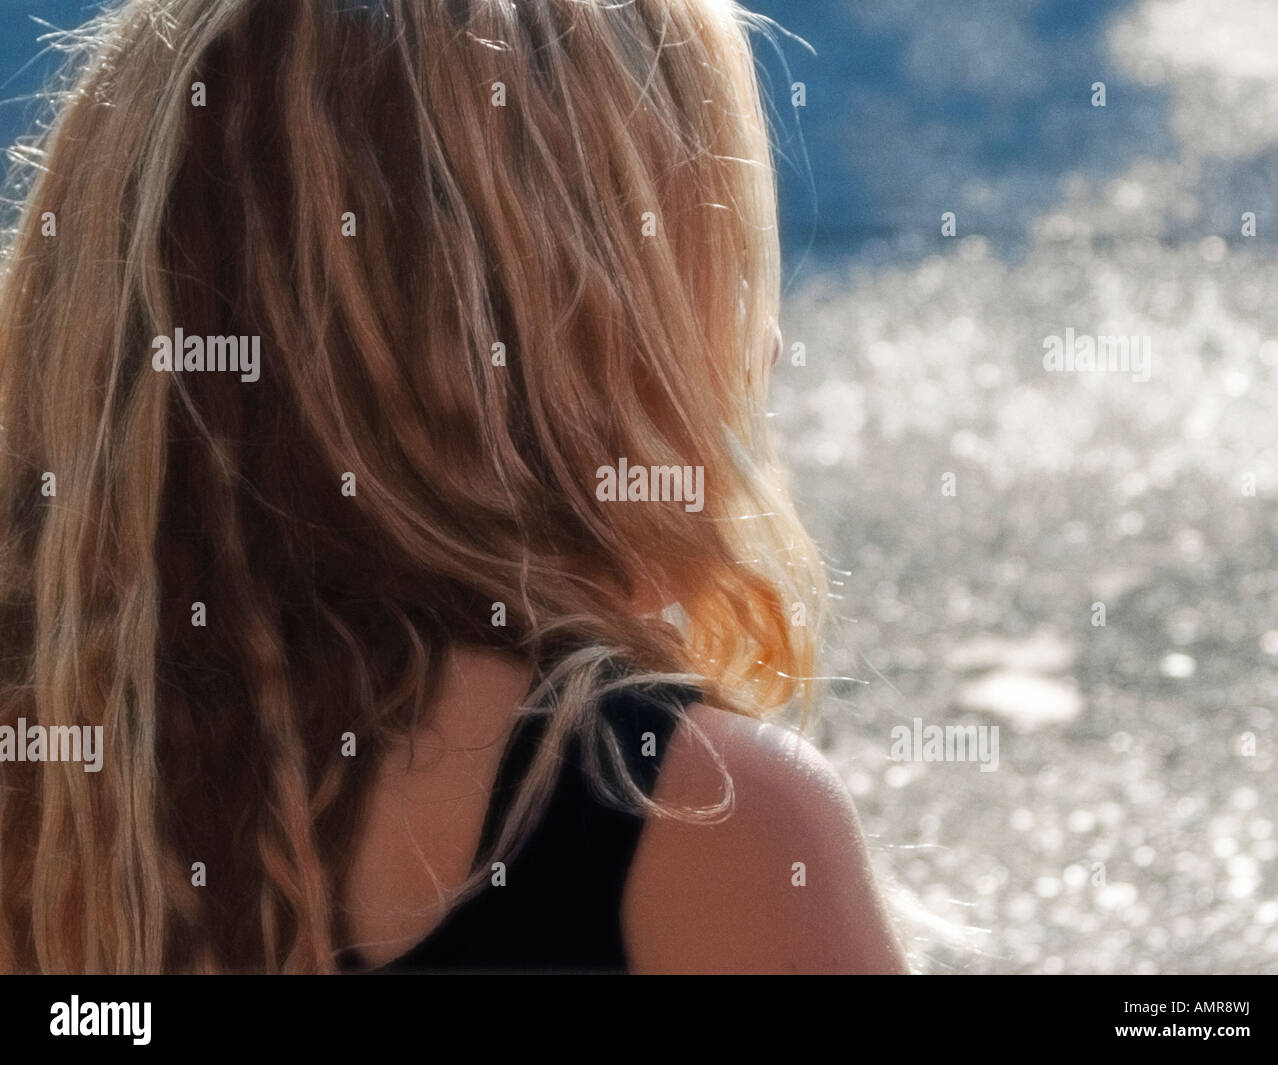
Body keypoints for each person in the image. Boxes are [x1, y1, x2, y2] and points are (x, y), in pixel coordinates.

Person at [0, 0, 905, 974]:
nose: (762, 351)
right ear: (586, 344)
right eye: (718, 283)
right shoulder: (706, 824)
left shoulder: (55, 789)